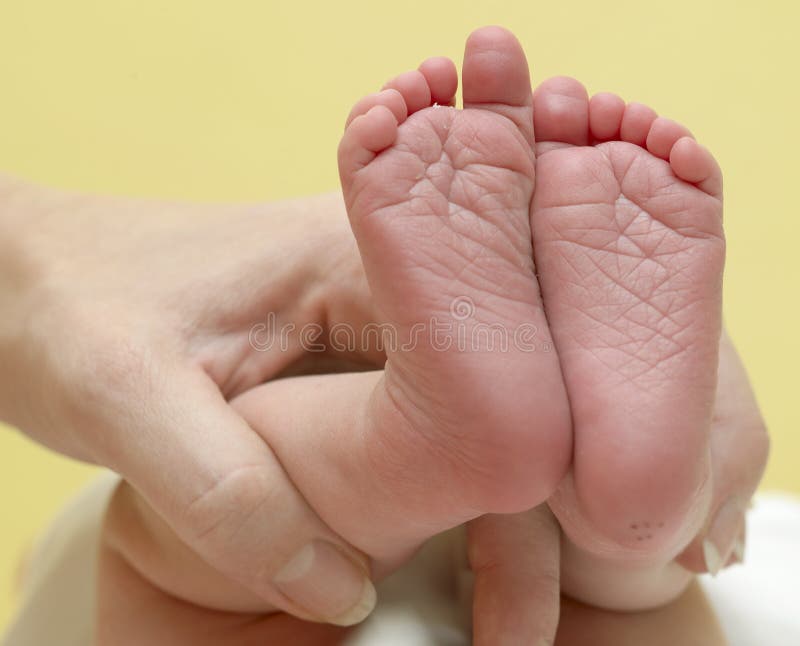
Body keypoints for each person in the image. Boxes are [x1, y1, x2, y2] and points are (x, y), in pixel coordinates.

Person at [0, 25, 769, 645]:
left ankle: (407, 448)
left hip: (300, 602)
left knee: (195, 522)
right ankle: (640, 530)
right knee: (641, 586)